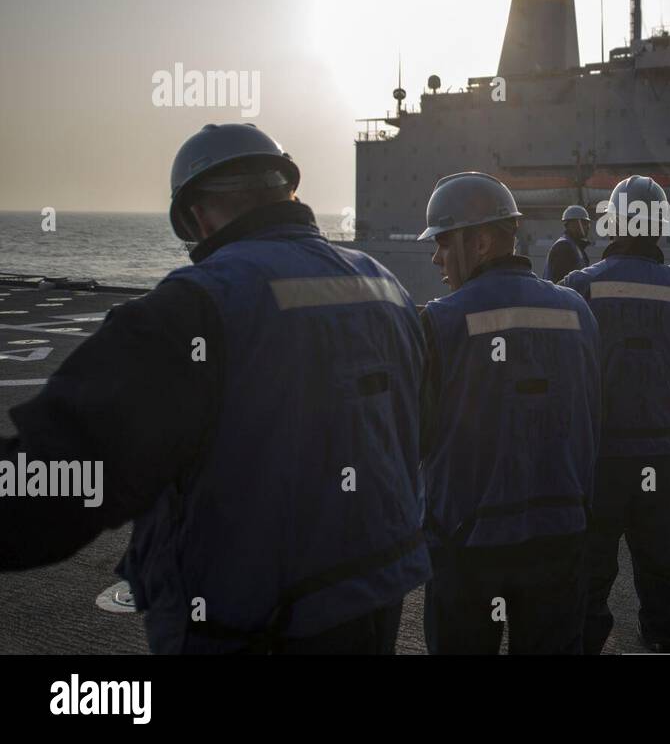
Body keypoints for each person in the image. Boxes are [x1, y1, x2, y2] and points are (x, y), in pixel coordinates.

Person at [1, 123, 431, 654]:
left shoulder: (191, 307)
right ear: (287, 190)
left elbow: (62, 479)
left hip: (251, 626)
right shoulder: (387, 287)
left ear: (197, 215)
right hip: (372, 603)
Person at [418, 172, 601, 654]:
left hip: (468, 547)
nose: (435, 256)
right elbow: (589, 415)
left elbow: (414, 437)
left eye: (442, 241)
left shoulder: (439, 321)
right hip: (561, 536)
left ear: (478, 242)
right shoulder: (576, 311)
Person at [560, 176, 670, 653]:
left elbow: (560, 375)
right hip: (664, 455)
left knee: (588, 571)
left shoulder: (580, 286)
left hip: (597, 459)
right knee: (664, 566)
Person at [544, 204, 592, 282]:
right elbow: (562, 283)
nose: (588, 227)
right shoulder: (563, 247)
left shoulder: (574, 246)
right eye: (584, 223)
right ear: (573, 224)